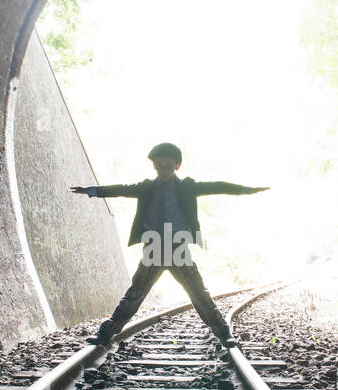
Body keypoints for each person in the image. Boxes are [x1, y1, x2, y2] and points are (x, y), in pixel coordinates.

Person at [70, 142, 267, 348]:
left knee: (198, 292)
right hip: (153, 247)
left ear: (177, 166)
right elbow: (121, 190)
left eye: (168, 165)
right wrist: (91, 191)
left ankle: (224, 333)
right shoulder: (146, 187)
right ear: (154, 166)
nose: (163, 169)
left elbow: (217, 186)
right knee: (135, 293)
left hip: (177, 246)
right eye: (159, 165)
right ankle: (105, 333)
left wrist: (248, 190)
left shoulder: (188, 187)